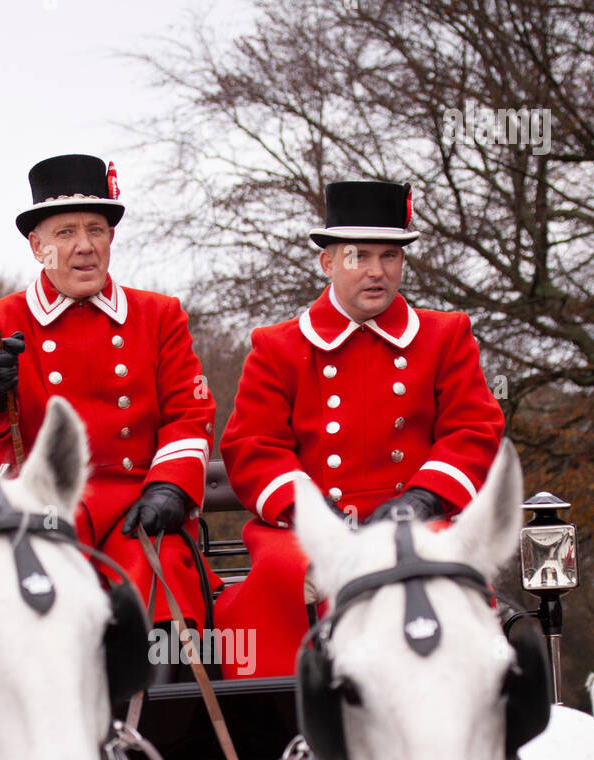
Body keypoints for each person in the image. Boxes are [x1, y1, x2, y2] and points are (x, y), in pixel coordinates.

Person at [216, 179, 505, 678]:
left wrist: (423, 499)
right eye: (359, 256)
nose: (376, 271)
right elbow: (253, 446)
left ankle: (459, 693)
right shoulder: (278, 347)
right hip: (309, 524)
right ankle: (285, 706)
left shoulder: (446, 335)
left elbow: (473, 429)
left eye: (389, 256)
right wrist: (312, 511)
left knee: (439, 571)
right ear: (327, 262)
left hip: (417, 516)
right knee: (289, 578)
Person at [0, 153, 218, 639]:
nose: (84, 247)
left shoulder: (159, 315)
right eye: (65, 233)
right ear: (38, 247)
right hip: (40, 509)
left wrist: (170, 487)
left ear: (110, 237)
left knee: (164, 588)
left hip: (138, 506)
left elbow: (189, 414)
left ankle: (165, 689)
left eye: (95, 229)